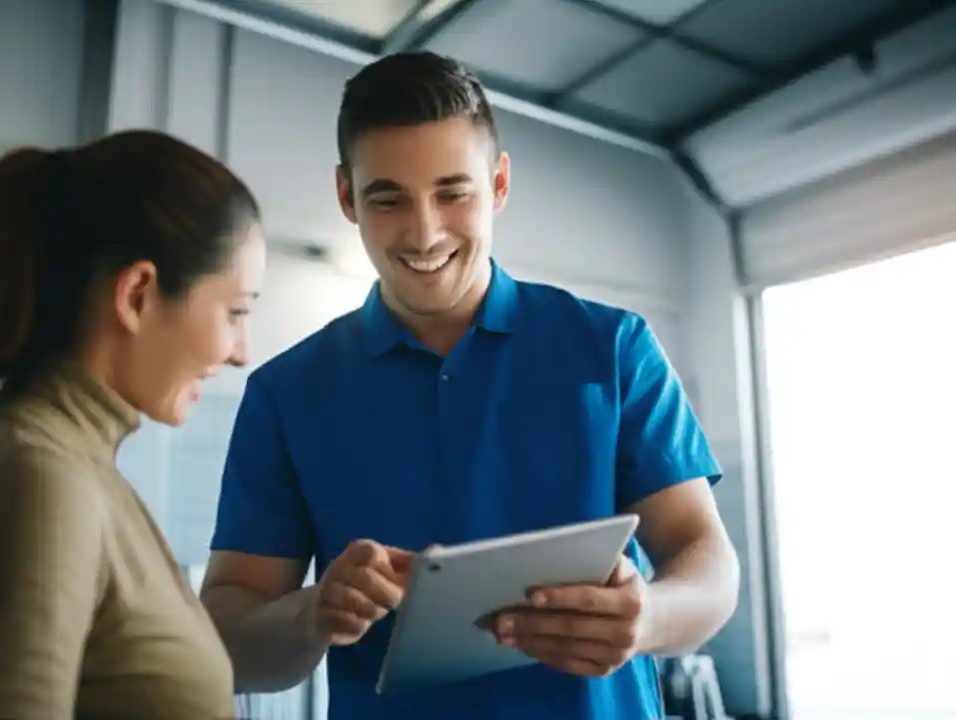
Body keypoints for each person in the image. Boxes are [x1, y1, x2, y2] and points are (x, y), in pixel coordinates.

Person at [201, 51, 739, 719]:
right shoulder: (287, 393)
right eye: (388, 198)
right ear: (346, 196)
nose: (424, 232)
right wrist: (313, 612)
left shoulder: (612, 349)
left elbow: (706, 561)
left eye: (453, 192)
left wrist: (649, 615)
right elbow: (226, 637)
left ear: (500, 183)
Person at [0, 130, 266, 719]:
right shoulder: (38, 477)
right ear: (139, 294)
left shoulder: (66, 465)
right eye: (236, 312)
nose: (240, 351)